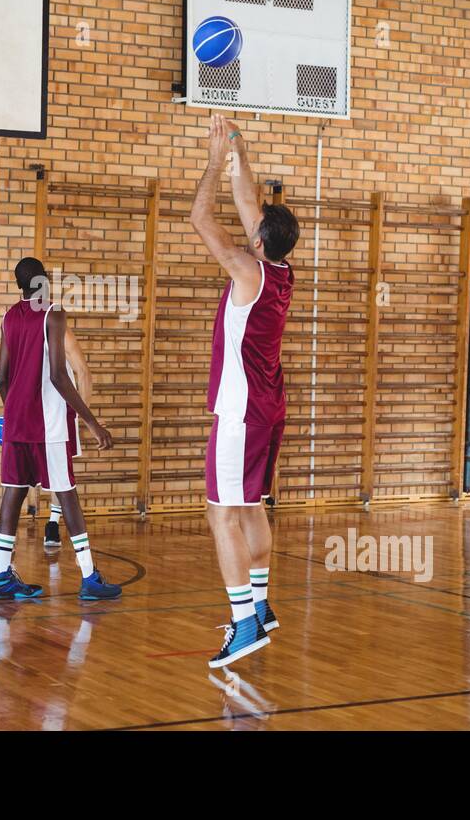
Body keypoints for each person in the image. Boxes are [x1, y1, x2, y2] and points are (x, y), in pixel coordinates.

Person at [190, 115, 299, 668]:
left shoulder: (244, 270)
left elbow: (200, 216)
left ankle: (244, 624)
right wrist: (237, 144)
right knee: (251, 505)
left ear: (258, 239)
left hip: (239, 412)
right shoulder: (279, 270)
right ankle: (260, 605)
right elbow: (246, 198)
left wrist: (213, 162)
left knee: (220, 513)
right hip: (270, 407)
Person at [0, 257, 122, 601]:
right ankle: (90, 577)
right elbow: (59, 376)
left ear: (19, 287)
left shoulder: (8, 317)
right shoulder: (53, 312)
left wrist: (14, 408)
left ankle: (1, 574)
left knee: (13, 494)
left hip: (18, 424)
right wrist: (92, 422)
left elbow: (1, 377)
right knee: (66, 494)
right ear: (45, 281)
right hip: (48, 425)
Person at [0, 325, 93, 548]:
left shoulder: (61, 333)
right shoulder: (23, 329)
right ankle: (4, 529)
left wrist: (84, 417)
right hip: (32, 410)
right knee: (15, 473)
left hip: (58, 413)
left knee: (60, 477)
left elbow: (83, 372)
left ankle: (53, 526)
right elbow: (17, 365)